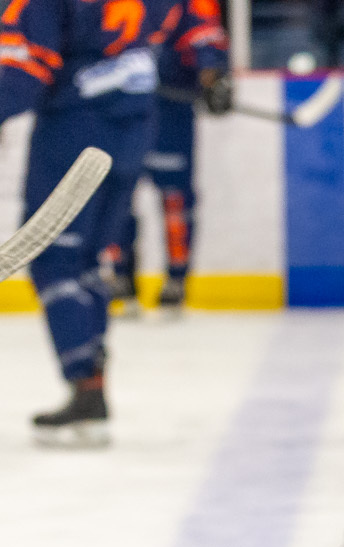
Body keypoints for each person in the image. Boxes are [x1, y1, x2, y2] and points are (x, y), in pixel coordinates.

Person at [0, 0, 182, 446]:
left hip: (75, 137)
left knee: (54, 262)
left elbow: (24, 79)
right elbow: (165, 26)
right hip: (133, 132)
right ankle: (93, 383)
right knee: (87, 262)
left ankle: (85, 383)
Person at [107, 0, 233, 317]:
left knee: (174, 196)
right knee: (117, 194)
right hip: (118, 108)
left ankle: (176, 281)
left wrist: (213, 74)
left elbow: (205, 35)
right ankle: (121, 277)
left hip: (169, 113)